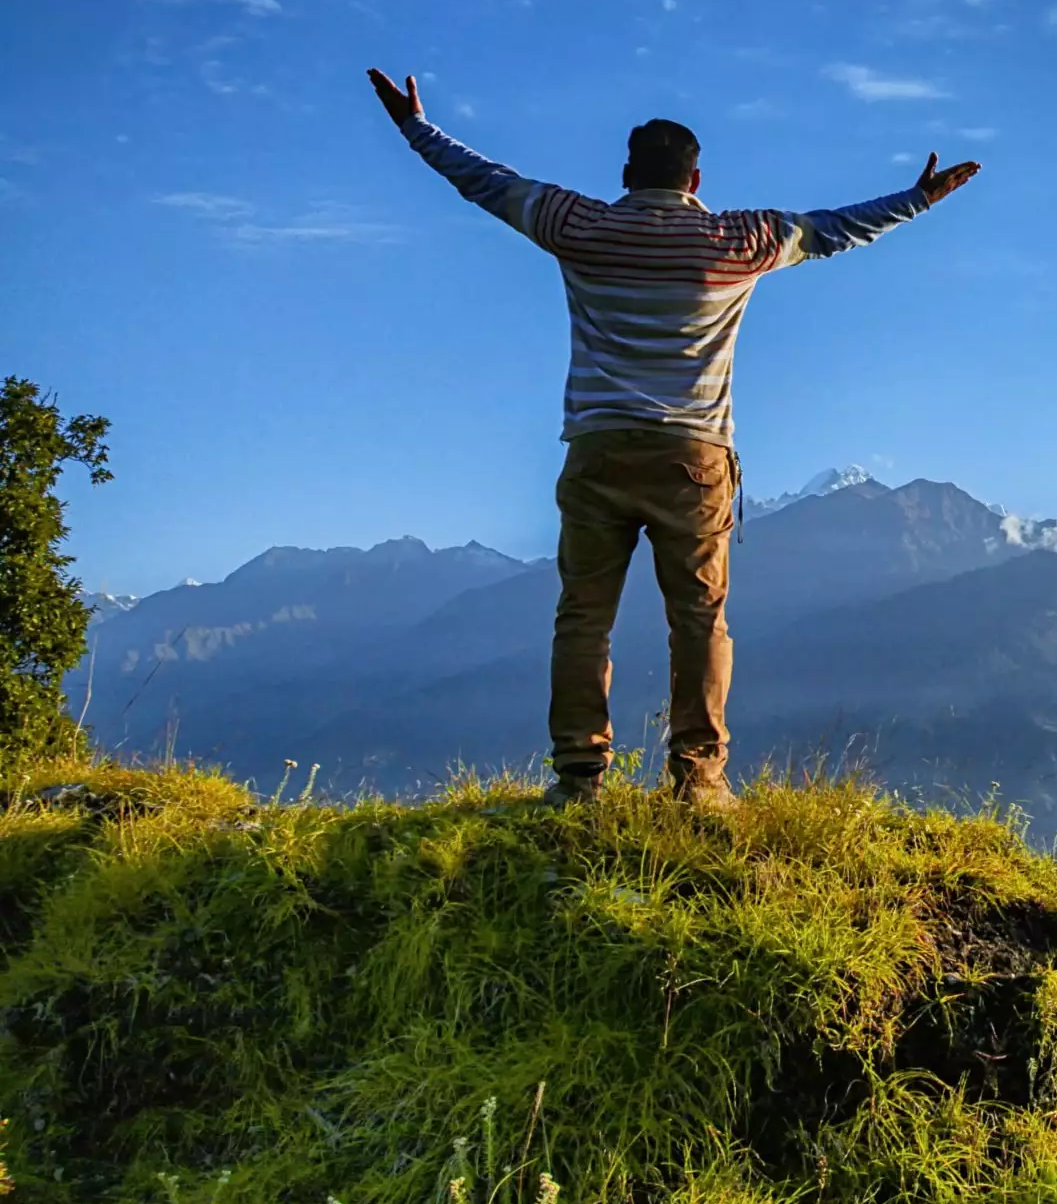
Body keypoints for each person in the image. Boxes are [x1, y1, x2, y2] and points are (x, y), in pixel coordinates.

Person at [365, 68, 980, 809]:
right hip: (695, 458)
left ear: (626, 174)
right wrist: (916, 199)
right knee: (697, 620)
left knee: (583, 616)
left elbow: (485, 181)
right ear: (696, 177)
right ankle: (699, 781)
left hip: (598, 450)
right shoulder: (740, 238)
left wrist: (416, 128)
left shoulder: (576, 224)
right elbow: (833, 229)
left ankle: (579, 779)